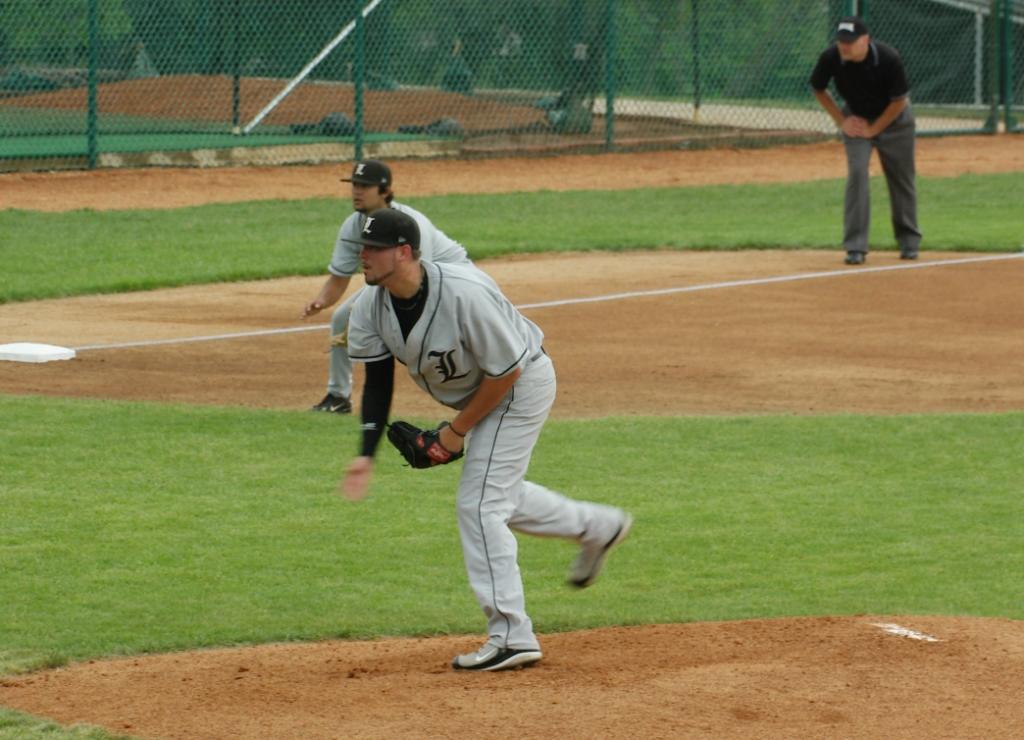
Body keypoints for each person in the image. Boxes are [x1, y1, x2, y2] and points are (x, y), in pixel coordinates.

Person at [339, 208, 633, 672]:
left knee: (479, 504)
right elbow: (377, 384)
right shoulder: (370, 308)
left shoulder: (464, 292)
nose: (363, 255)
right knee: (496, 497)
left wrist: (454, 434)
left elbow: (507, 371)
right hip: (487, 393)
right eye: (362, 245)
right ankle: (598, 527)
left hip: (520, 385)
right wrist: (365, 456)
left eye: (373, 247)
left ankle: (512, 635)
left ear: (404, 252)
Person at [301, 159, 472, 413]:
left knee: (452, 335)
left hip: (455, 281)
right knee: (341, 318)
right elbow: (339, 277)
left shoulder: (409, 223)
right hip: (411, 278)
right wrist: (321, 301)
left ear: (385, 191)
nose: (357, 191)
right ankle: (337, 397)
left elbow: (417, 276)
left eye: (365, 186)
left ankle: (474, 389)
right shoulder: (354, 224)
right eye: (355, 185)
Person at [810, 16, 922, 265]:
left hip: (895, 121)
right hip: (857, 122)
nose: (844, 46)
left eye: (850, 41)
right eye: (841, 40)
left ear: (865, 40)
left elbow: (899, 101)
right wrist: (842, 121)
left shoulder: (887, 57)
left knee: (901, 177)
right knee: (858, 174)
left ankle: (909, 241)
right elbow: (818, 88)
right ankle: (855, 246)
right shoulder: (831, 57)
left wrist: (875, 130)